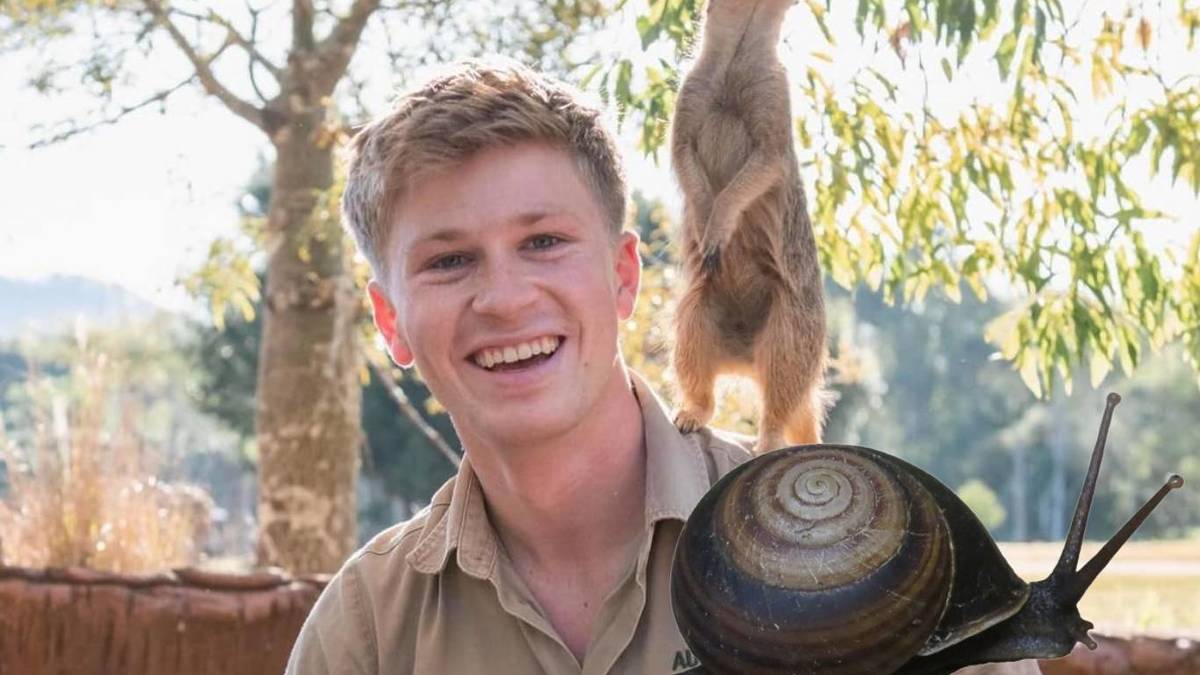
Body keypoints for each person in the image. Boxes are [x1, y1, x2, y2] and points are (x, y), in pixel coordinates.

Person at [284, 59, 1042, 675]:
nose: (507, 299)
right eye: (449, 260)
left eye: (544, 241)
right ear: (390, 322)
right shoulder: (368, 631)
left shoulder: (862, 548)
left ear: (623, 278)